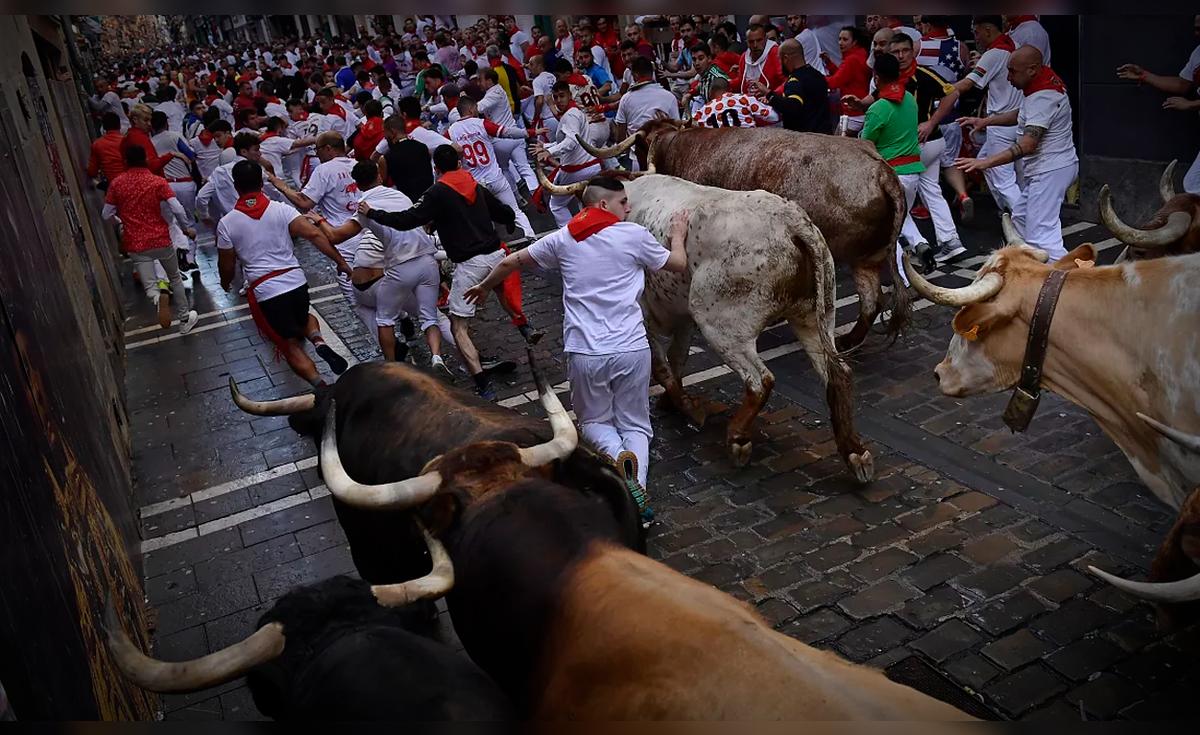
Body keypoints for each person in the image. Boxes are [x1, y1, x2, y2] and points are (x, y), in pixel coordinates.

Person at [464, 176, 690, 522]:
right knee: (636, 425)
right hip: (631, 348)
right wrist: (677, 234)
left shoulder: (563, 238)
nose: (628, 207)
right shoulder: (633, 235)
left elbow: (511, 263)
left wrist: (483, 287)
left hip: (586, 351)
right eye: (622, 202)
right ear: (603, 204)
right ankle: (636, 489)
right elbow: (677, 263)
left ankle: (617, 458)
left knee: (594, 421)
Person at [359, 145, 537, 400]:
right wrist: (509, 222)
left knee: (458, 327)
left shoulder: (437, 192)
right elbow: (503, 211)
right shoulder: (474, 184)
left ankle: (482, 384)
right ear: (459, 163)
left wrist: (373, 213)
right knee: (501, 293)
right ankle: (525, 327)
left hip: (470, 265)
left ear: (436, 168)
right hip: (497, 256)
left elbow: (407, 220)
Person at [217, 160, 351, 384]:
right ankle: (319, 342)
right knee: (304, 317)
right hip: (296, 282)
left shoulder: (227, 223)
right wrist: (341, 262)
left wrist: (225, 283)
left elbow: (227, 265)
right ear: (261, 183)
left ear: (236, 186)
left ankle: (320, 385)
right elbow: (314, 234)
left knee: (289, 343)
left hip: (267, 291)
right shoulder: (282, 209)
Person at [308, 161, 446, 370]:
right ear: (379, 176)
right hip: (427, 262)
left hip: (400, 267)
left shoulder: (363, 207)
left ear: (357, 185)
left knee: (384, 319)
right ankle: (437, 357)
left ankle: (392, 368)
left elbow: (336, 236)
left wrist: (320, 220)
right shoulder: (400, 196)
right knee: (430, 316)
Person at [846, 36, 965, 264]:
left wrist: (931, 122)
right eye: (896, 52)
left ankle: (906, 253)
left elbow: (953, 93)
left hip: (921, 144)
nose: (901, 56)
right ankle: (949, 241)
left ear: (914, 51)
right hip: (918, 148)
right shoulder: (891, 77)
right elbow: (874, 97)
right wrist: (860, 104)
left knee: (895, 208)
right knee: (929, 191)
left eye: (905, 50)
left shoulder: (921, 75)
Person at [955, 47, 1078, 261]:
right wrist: (986, 121)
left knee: (1042, 237)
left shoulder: (1043, 97)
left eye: (1012, 72)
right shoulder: (1042, 81)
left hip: (1049, 171)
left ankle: (1063, 275)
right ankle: (1030, 266)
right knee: (1020, 219)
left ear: (1032, 69)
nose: (1008, 77)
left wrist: (986, 162)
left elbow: (1028, 145)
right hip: (1050, 168)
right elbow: (1023, 114)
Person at [102, 145, 199, 333]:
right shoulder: (157, 182)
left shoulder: (117, 184)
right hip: (160, 239)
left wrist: (121, 222)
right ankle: (184, 319)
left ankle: (157, 298)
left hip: (135, 243)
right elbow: (177, 208)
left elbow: (106, 214)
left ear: (125, 161)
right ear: (145, 159)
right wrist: (185, 228)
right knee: (174, 277)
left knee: (150, 285)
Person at [265, 132, 362, 308]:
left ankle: (382, 323)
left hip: (341, 238)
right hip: (365, 232)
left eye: (318, 149)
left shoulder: (324, 170)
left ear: (328, 148)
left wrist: (282, 187)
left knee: (353, 296)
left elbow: (305, 202)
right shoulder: (357, 164)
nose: (316, 154)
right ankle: (399, 315)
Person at [859, 53, 930, 277]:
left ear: (876, 78)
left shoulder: (878, 108)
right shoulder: (910, 99)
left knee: (888, 229)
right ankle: (920, 243)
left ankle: (903, 278)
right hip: (913, 172)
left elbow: (866, 143)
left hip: (890, 175)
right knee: (902, 215)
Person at [946, 16, 1024, 213]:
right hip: (1019, 120)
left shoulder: (993, 54)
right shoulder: (1016, 47)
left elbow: (966, 85)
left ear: (988, 30)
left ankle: (1023, 221)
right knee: (987, 165)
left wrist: (938, 90)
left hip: (1000, 123)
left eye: (976, 32)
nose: (976, 37)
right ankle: (1008, 213)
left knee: (1003, 179)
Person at [1117, 15, 1200, 193]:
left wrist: (1191, 104)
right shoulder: (1198, 53)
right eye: (1196, 28)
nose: (1196, 33)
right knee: (1193, 185)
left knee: (1193, 185)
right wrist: (1144, 75)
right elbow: (1182, 84)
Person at [446, 95, 539, 239]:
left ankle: (495, 245)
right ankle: (531, 237)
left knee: (485, 219)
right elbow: (507, 132)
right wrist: (530, 132)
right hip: (495, 178)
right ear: (471, 109)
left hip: (476, 185)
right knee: (516, 211)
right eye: (476, 107)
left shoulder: (451, 132)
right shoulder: (481, 123)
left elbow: (441, 148)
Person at [534, 80, 604, 226]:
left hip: (577, 170)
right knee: (587, 204)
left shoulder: (570, 115)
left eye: (562, 96)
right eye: (556, 97)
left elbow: (571, 142)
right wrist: (546, 146)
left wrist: (549, 151)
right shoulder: (574, 112)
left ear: (570, 95)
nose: (559, 100)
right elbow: (567, 140)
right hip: (591, 166)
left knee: (557, 205)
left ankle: (571, 234)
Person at [149, 110, 200, 274]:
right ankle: (191, 257)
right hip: (185, 183)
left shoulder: (150, 142)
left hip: (166, 186)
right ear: (166, 123)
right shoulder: (175, 136)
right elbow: (191, 155)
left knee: (172, 223)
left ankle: (179, 250)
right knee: (189, 219)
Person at [478, 67, 539, 195]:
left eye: (481, 80)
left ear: (489, 81)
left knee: (504, 169)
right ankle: (537, 196)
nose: (479, 83)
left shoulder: (494, 93)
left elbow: (478, 108)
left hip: (501, 140)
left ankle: (517, 197)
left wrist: (465, 103)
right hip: (515, 135)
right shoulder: (498, 90)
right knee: (525, 168)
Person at [762, 38, 832, 133]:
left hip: (805, 137)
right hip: (825, 135)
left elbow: (791, 107)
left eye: (779, 59)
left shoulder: (795, 80)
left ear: (786, 58)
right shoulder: (818, 75)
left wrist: (768, 93)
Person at [614, 56, 681, 141]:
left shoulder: (625, 99)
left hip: (636, 147)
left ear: (634, 76)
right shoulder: (670, 97)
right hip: (663, 146)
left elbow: (620, 138)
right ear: (652, 73)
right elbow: (677, 131)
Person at [823, 26, 872, 134]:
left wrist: (816, 77)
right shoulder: (859, 55)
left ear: (854, 42)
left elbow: (835, 82)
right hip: (859, 112)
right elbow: (845, 76)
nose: (840, 43)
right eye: (839, 39)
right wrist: (829, 63)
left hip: (853, 115)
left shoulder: (852, 59)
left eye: (845, 39)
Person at [694, 77, 780, 128]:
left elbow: (693, 125)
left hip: (719, 148)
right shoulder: (744, 98)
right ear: (730, 89)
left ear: (710, 94)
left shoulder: (704, 110)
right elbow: (773, 117)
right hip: (749, 144)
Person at [683, 43, 731, 118]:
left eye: (701, 59)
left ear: (709, 59)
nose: (697, 63)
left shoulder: (717, 81)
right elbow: (700, 86)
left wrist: (688, 112)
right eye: (694, 59)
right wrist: (689, 94)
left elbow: (719, 113)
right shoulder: (704, 74)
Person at [739, 23, 785, 94]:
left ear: (766, 39)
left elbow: (786, 81)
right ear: (747, 42)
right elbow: (740, 81)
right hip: (748, 99)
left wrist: (771, 95)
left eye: (759, 40)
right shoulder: (744, 57)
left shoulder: (775, 53)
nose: (755, 45)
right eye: (751, 42)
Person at [87, 112, 126, 188]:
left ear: (104, 127)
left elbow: (92, 171)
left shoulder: (97, 144)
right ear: (120, 126)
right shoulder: (127, 141)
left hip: (112, 185)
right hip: (130, 182)